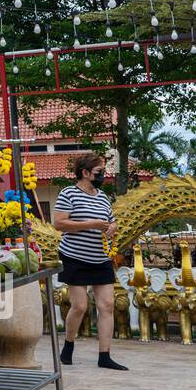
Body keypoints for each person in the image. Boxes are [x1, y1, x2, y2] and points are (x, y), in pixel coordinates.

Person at [51, 153, 126, 370]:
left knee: (107, 305)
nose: (102, 175)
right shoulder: (69, 194)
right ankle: (68, 344)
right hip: (75, 256)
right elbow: (59, 223)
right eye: (98, 172)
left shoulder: (102, 196)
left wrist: (111, 228)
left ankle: (105, 355)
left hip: (100, 257)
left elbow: (111, 222)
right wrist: (90, 224)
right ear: (85, 173)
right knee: (80, 306)